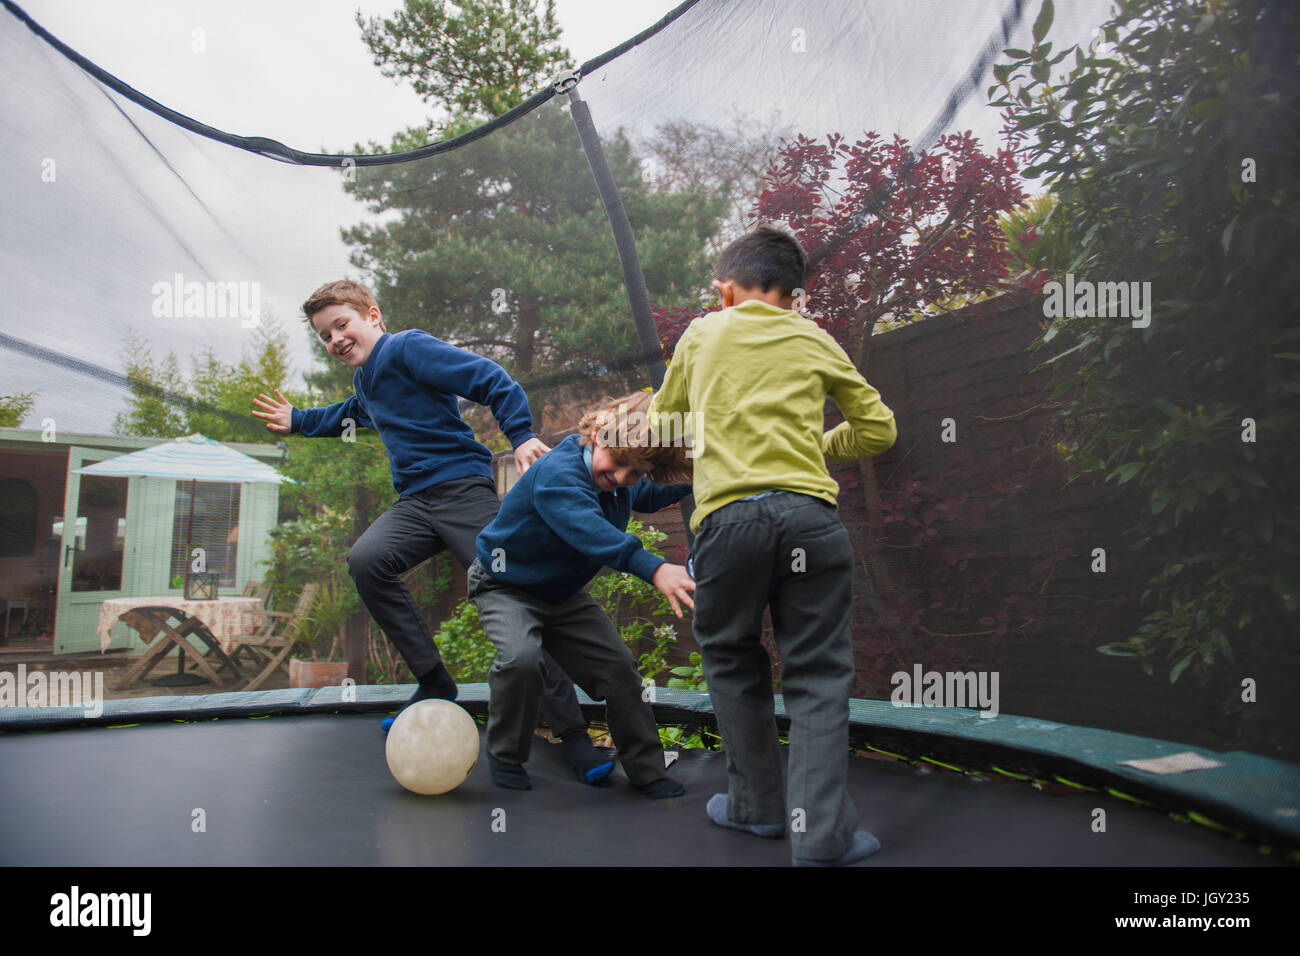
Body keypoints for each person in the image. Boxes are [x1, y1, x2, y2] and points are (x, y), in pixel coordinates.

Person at [252, 280, 614, 782]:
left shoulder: (407, 348)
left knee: (516, 594)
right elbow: (348, 417)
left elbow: (488, 377)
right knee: (367, 560)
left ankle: (573, 733)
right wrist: (300, 421)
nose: (335, 339)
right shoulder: (366, 383)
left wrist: (522, 435)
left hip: (463, 492)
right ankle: (434, 680)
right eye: (324, 335)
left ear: (373, 316)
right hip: (417, 504)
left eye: (342, 324)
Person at [649, 226, 898, 865]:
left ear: (723, 291)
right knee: (816, 674)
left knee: (731, 658)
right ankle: (821, 839)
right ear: (796, 296)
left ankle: (756, 809)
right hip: (810, 521)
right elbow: (878, 429)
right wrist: (817, 448)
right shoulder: (814, 338)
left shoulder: (704, 332)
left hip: (728, 524)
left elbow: (663, 425)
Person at [469, 391, 694, 796]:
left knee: (620, 670)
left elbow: (644, 495)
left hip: (561, 595)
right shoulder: (559, 474)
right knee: (521, 660)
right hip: (505, 585)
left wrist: (691, 480)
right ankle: (505, 755)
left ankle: (648, 772)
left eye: (637, 471)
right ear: (597, 431)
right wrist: (656, 567)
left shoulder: (616, 478)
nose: (623, 478)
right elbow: (595, 535)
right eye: (621, 463)